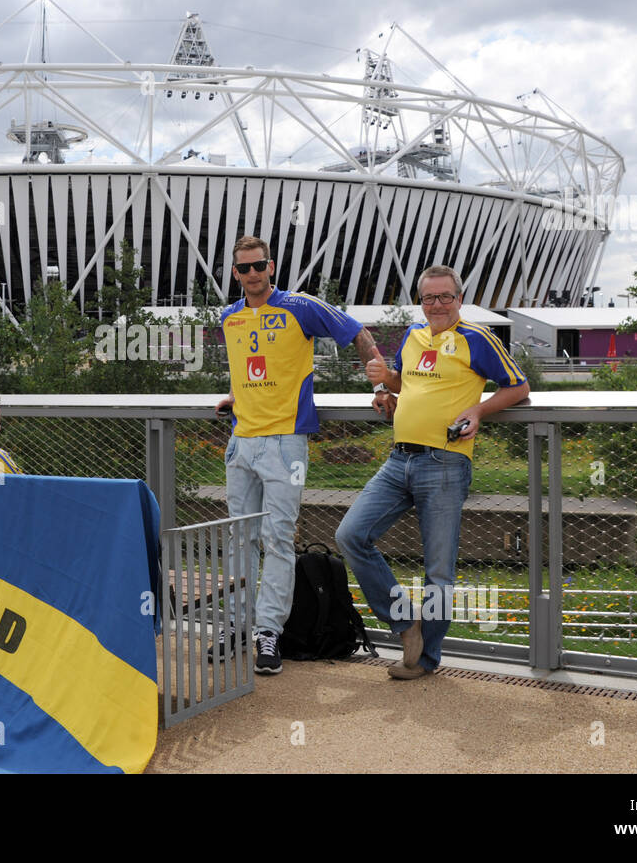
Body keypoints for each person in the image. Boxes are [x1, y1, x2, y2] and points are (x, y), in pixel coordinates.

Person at [335, 265, 529, 679]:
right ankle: (406, 624)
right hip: (398, 460)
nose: (437, 305)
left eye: (445, 297)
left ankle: (425, 660)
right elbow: (407, 386)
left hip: (445, 461)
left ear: (460, 298)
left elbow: (518, 386)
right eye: (429, 298)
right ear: (420, 301)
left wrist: (478, 409)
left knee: (438, 571)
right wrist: (384, 385)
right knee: (350, 536)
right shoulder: (412, 335)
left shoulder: (476, 338)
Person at [216, 235, 381, 675]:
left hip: (285, 442)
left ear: (271, 267)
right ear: (235, 273)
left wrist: (381, 385)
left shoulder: (300, 306)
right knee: (240, 540)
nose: (252, 274)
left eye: (259, 266)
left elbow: (356, 332)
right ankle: (235, 626)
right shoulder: (229, 317)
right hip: (241, 443)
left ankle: (268, 632)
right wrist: (234, 395)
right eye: (244, 268)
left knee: (277, 540)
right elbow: (249, 366)